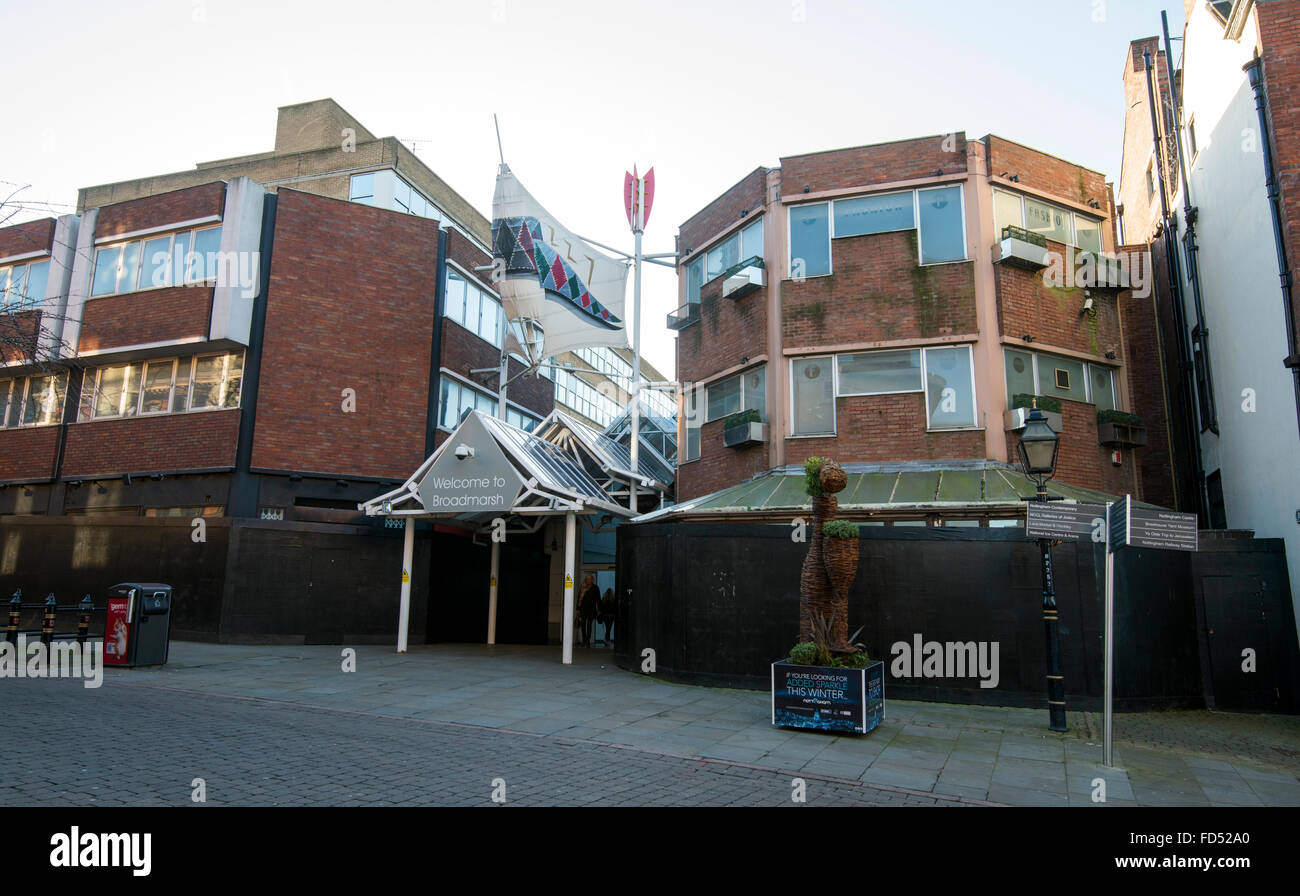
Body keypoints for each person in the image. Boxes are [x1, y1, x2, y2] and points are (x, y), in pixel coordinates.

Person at [579, 575, 600, 648]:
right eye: (587, 579)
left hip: (591, 609)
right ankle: (584, 640)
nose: (588, 580)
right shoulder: (582, 587)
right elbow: (579, 598)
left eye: (589, 579)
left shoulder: (595, 588)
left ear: (592, 580)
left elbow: (598, 599)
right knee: (583, 625)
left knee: (589, 625)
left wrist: (599, 609)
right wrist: (577, 608)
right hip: (583, 609)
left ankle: (588, 640)